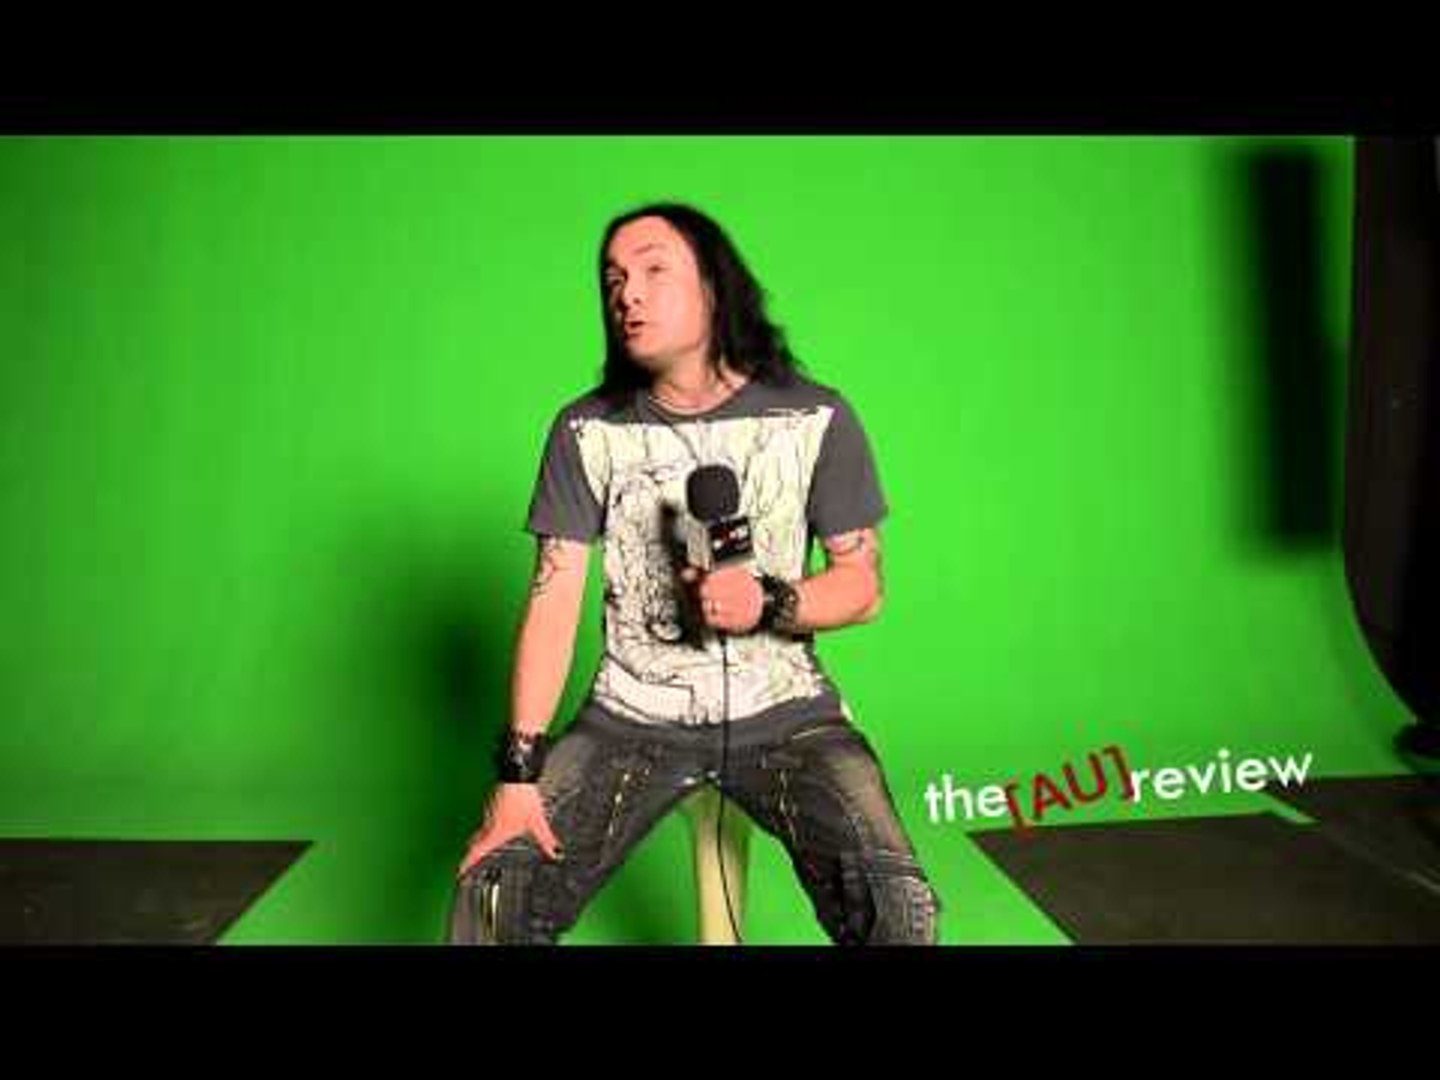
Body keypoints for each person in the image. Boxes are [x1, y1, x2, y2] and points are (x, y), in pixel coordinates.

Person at [449, 202, 940, 945]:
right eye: (614, 279)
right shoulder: (586, 430)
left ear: (713, 286)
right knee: (492, 896)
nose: (628, 294)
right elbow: (553, 601)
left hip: (789, 716)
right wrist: (518, 776)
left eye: (654, 270)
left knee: (900, 908)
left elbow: (863, 587)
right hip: (629, 719)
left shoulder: (816, 418)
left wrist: (770, 600)